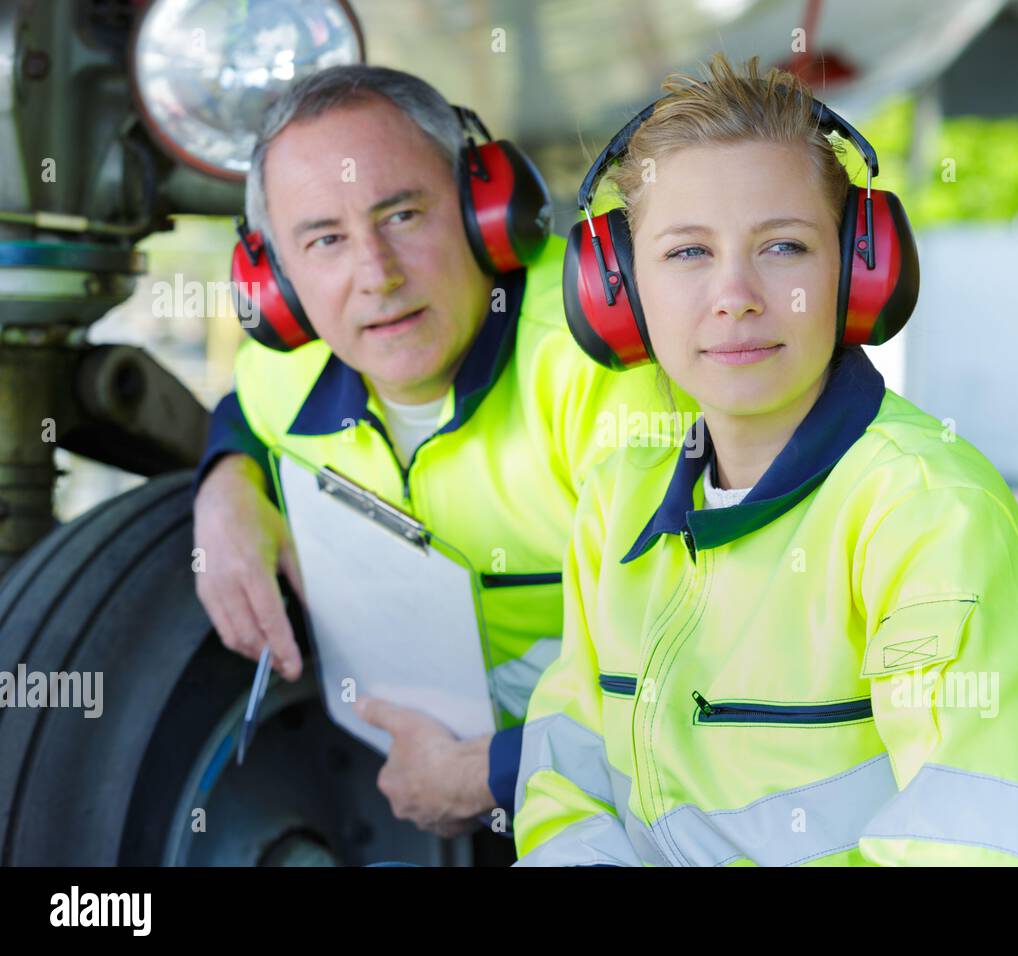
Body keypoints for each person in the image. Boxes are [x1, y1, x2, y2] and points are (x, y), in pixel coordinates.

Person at [512, 53, 1018, 866]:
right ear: (616, 290)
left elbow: (978, 847)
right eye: (687, 253)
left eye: (785, 247)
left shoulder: (925, 508)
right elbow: (566, 780)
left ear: (858, 275)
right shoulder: (620, 497)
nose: (736, 294)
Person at [192, 65, 687, 848]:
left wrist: (490, 775)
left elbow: (712, 689)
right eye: (324, 239)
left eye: (403, 215)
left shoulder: (607, 372)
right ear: (276, 282)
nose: (375, 276)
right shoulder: (283, 372)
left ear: (486, 210)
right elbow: (248, 411)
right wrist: (227, 485)